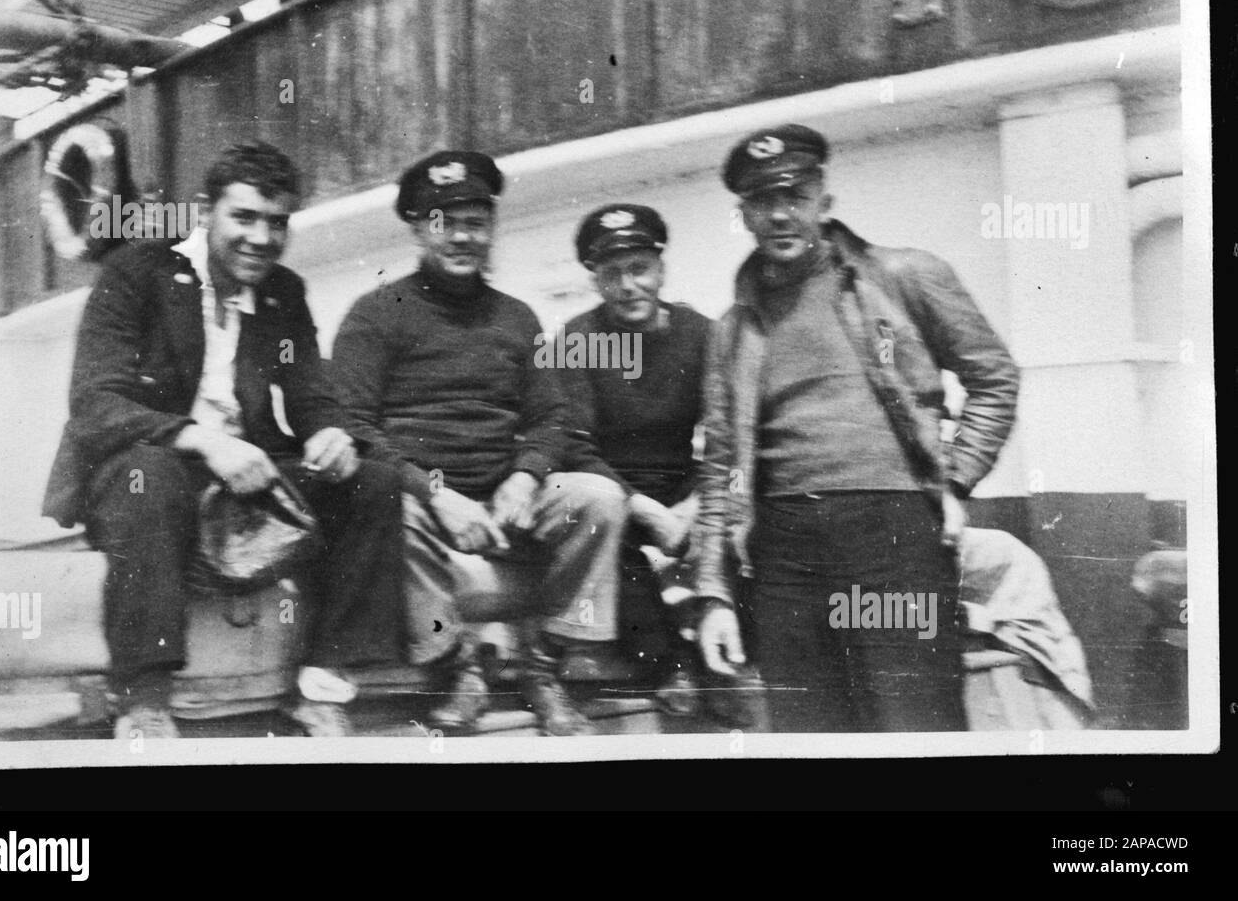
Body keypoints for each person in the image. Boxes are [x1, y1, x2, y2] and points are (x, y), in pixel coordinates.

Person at [42, 141, 403, 739]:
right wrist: (202, 442)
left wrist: (331, 433)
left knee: (372, 480)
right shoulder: (136, 272)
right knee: (150, 477)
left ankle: (320, 684)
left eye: (277, 222)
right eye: (245, 217)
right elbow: (95, 404)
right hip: (149, 462)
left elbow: (311, 393)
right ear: (208, 211)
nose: (261, 238)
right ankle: (145, 699)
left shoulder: (284, 291)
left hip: (249, 466)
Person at [691, 124, 1020, 732]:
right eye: (763, 202)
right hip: (782, 551)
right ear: (744, 214)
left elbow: (995, 378)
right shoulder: (732, 330)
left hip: (892, 535)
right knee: (811, 733)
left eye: (795, 196)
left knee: (915, 721)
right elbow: (720, 467)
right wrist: (712, 593)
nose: (780, 215)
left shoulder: (904, 277)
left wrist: (957, 479)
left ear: (825, 201)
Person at [331, 150, 627, 737]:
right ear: (418, 230)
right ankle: (456, 665)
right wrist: (436, 494)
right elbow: (353, 425)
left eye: (476, 222)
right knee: (384, 498)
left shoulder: (517, 318)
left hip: (503, 498)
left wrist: (524, 476)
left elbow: (551, 417)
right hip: (421, 497)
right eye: (444, 223)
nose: (462, 237)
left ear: (491, 229)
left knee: (598, 497)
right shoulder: (376, 313)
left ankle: (544, 661)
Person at [555, 204, 712, 714]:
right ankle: (674, 667)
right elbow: (573, 445)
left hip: (685, 491)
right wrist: (641, 508)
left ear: (661, 269)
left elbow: (729, 430)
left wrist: (696, 503)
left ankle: (733, 660)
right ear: (597, 280)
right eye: (612, 273)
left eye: (639, 268)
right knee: (611, 546)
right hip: (614, 492)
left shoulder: (700, 334)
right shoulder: (578, 340)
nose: (628, 285)